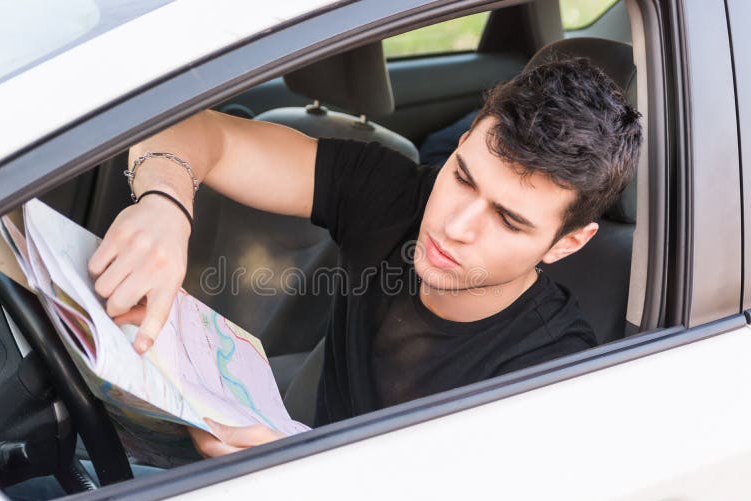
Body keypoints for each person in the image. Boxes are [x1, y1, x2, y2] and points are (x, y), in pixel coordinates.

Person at [87, 58, 643, 458]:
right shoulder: (394, 194)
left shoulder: (550, 376)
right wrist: (165, 202)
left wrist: (291, 466)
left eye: (508, 219)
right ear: (463, 141)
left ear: (567, 243)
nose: (455, 225)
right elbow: (195, 132)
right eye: (462, 176)